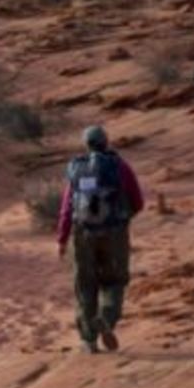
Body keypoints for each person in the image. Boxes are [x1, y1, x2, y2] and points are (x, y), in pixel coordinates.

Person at [56, 125, 145, 354]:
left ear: (86, 144)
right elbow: (138, 201)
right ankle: (106, 317)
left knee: (85, 285)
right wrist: (122, 219)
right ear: (106, 142)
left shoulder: (77, 168)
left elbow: (67, 208)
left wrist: (62, 238)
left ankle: (88, 340)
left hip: (83, 234)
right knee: (115, 280)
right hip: (114, 232)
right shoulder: (119, 166)